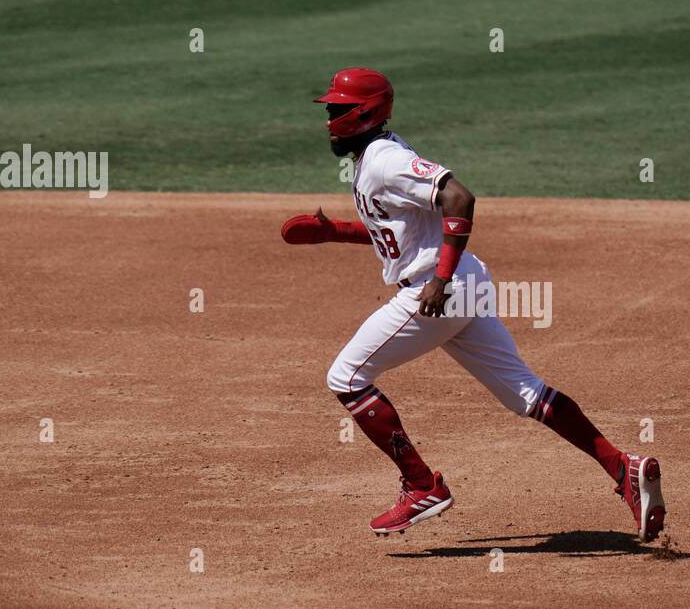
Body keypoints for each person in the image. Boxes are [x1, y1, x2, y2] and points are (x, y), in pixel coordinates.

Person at [281, 68, 666, 539]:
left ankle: (421, 485)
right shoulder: (372, 159)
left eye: (337, 110)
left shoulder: (384, 159)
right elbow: (400, 234)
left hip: (439, 290)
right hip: (464, 284)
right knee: (526, 393)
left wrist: (439, 281)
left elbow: (459, 198)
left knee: (346, 376)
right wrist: (334, 232)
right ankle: (622, 468)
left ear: (361, 114)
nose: (329, 119)